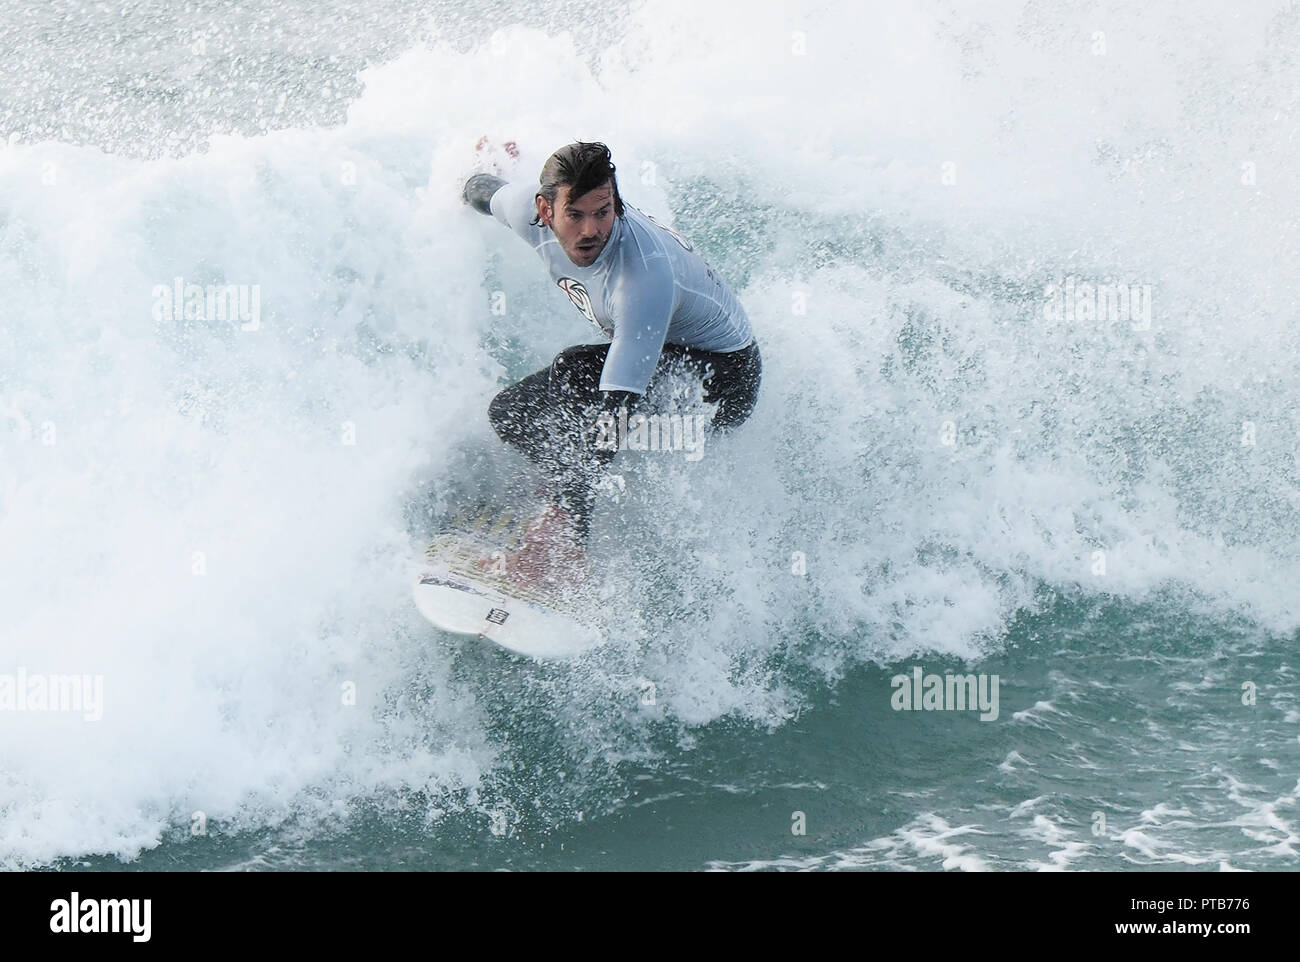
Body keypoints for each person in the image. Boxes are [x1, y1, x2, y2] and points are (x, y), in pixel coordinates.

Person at [462, 140, 761, 585]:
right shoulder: (525, 207)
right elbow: (481, 190)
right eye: (576, 215)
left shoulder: (643, 276)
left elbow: (615, 409)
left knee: (575, 375)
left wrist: (564, 518)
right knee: (509, 413)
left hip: (725, 380)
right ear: (545, 211)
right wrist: (483, 171)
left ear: (616, 205)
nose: (591, 230)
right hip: (672, 355)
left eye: (604, 212)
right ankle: (567, 484)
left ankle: (564, 548)